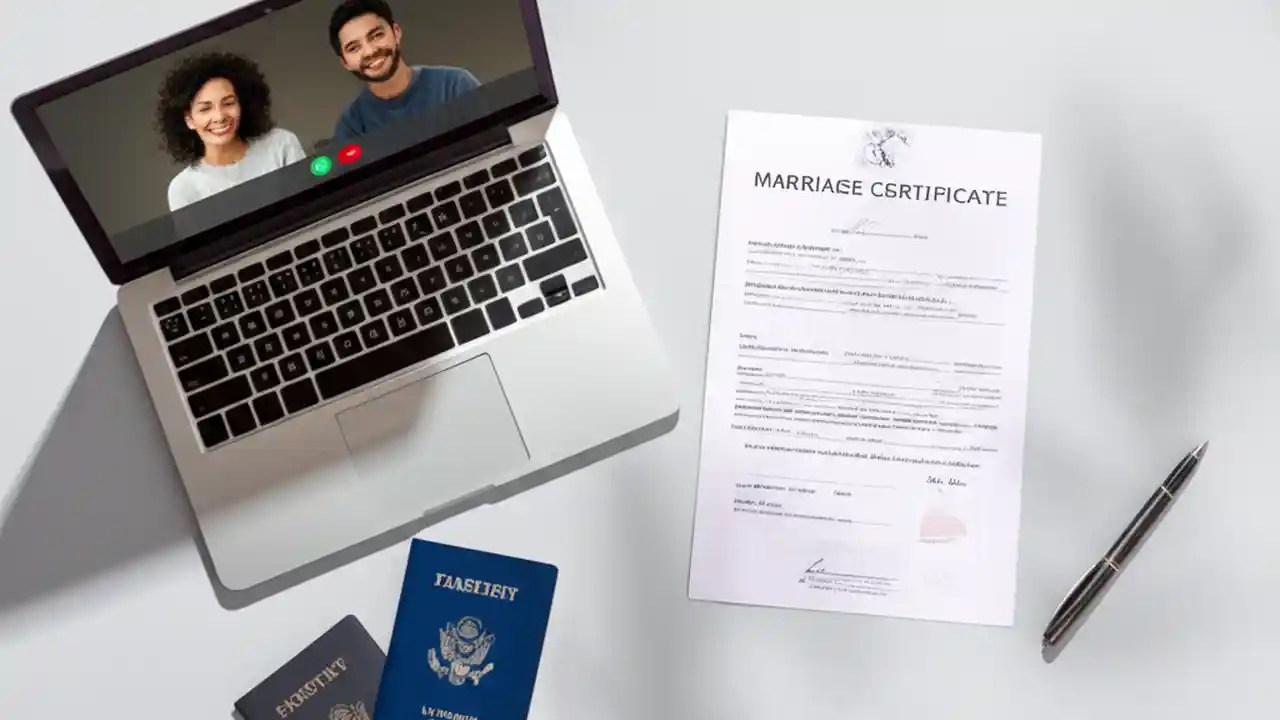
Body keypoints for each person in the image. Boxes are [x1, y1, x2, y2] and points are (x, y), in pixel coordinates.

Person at [156, 52, 307, 212]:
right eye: (205, 109)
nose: (219, 117)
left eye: (228, 103)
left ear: (242, 105)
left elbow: (309, 208)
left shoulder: (281, 144)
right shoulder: (184, 188)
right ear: (189, 120)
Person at [328, 0, 480, 143]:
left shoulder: (454, 84)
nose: (369, 52)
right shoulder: (350, 127)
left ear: (396, 32)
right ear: (345, 62)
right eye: (354, 48)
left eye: (376, 36)